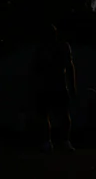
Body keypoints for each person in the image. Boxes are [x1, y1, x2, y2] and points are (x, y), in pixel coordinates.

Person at [33, 23, 77, 153]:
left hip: (58, 87)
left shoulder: (63, 47)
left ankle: (64, 141)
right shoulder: (40, 49)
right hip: (46, 87)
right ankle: (48, 142)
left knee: (63, 115)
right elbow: (35, 69)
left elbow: (69, 67)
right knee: (45, 116)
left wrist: (72, 85)